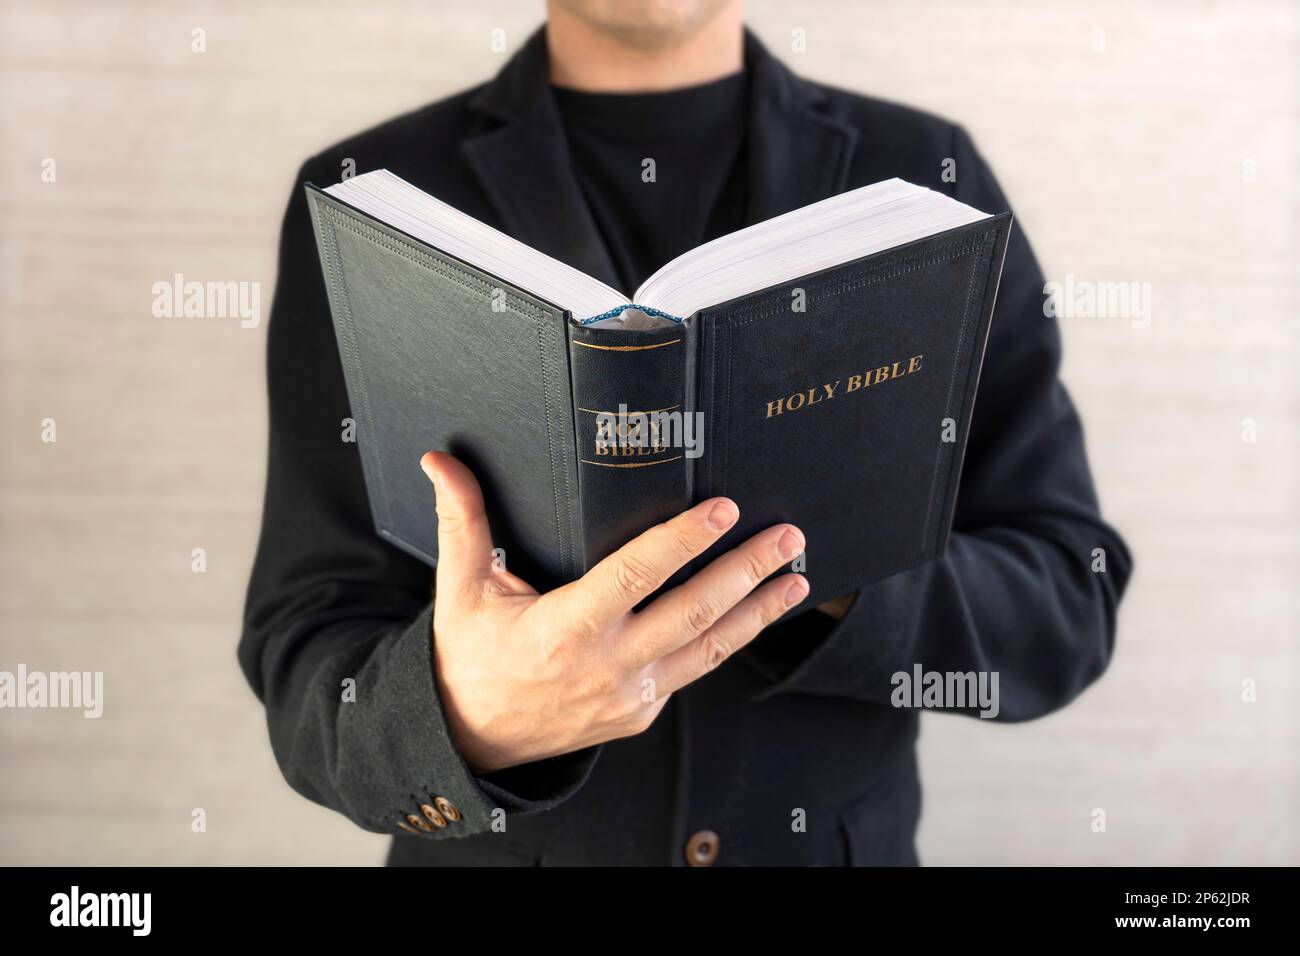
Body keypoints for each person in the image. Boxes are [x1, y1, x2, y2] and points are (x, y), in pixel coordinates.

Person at [239, 0, 1132, 866]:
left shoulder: (927, 178)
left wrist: (826, 566)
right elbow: (306, 650)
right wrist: (466, 713)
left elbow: (1065, 602)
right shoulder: (376, 197)